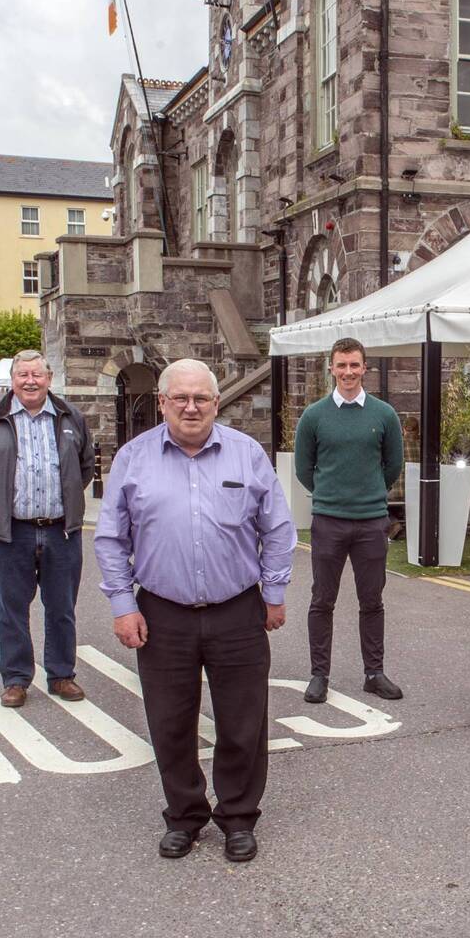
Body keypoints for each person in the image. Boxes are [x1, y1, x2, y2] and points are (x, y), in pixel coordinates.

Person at [94, 359, 294, 864]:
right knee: (170, 724)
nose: (190, 407)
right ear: (162, 402)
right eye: (180, 398)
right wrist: (122, 605)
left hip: (237, 612)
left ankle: (238, 818)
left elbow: (276, 529)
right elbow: (111, 538)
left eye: (200, 398)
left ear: (216, 403)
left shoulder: (246, 455)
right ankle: (184, 816)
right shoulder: (133, 459)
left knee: (243, 724)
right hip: (162, 614)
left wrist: (274, 592)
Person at [0, 349, 97, 708]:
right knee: (12, 609)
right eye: (23, 375)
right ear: (13, 380)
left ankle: (61, 675)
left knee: (62, 608)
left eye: (37, 375)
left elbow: (85, 466)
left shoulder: (70, 417)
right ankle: (16, 678)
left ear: (48, 379)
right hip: (12, 532)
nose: (30, 381)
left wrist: (65, 498)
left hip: (61, 531)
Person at [293, 337, 404, 704]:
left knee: (372, 600)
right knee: (322, 600)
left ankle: (374, 673)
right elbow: (304, 469)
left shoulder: (384, 415)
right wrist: (331, 494)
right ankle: (319, 675)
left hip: (371, 522)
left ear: (364, 368)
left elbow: (393, 465)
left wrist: (368, 493)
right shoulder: (314, 416)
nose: (348, 371)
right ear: (332, 368)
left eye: (354, 365)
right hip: (329, 521)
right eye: (341, 365)